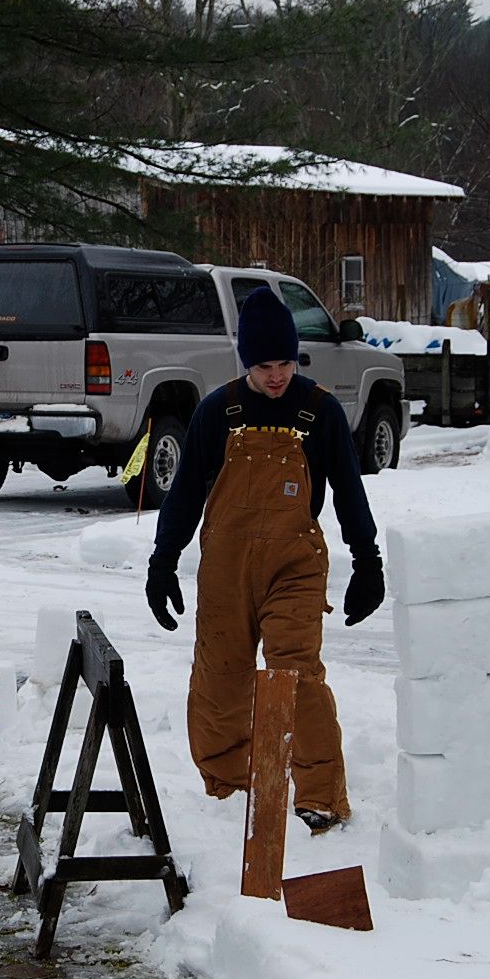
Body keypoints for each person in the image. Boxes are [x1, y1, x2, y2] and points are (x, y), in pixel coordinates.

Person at [145, 286, 383, 833]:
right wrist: (163, 560)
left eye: (284, 364)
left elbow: (349, 491)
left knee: (296, 674)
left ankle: (320, 795)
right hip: (226, 568)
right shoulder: (218, 411)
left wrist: (367, 560)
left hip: (294, 566)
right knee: (221, 679)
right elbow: (185, 494)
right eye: (263, 366)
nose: (276, 376)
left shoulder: (319, 410)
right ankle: (229, 792)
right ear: (246, 362)